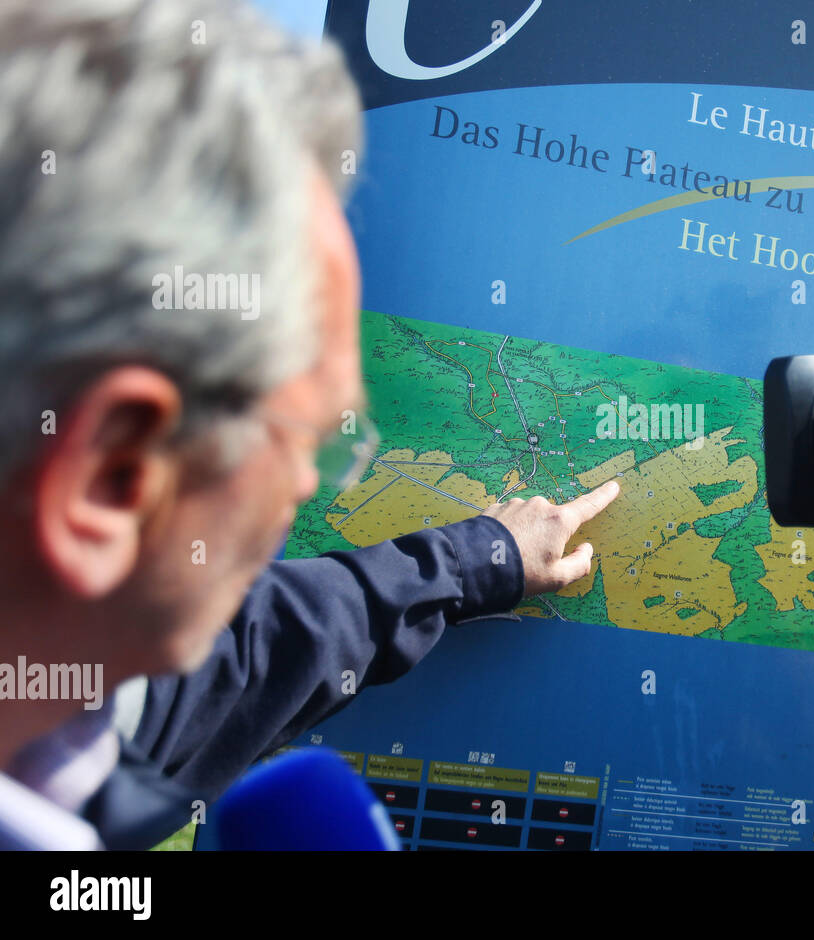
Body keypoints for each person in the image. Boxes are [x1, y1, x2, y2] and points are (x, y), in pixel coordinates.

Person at [0, 0, 618, 850]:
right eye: (308, 439)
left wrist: (481, 559)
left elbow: (257, 650)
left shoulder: (73, 723)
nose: (304, 486)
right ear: (110, 476)